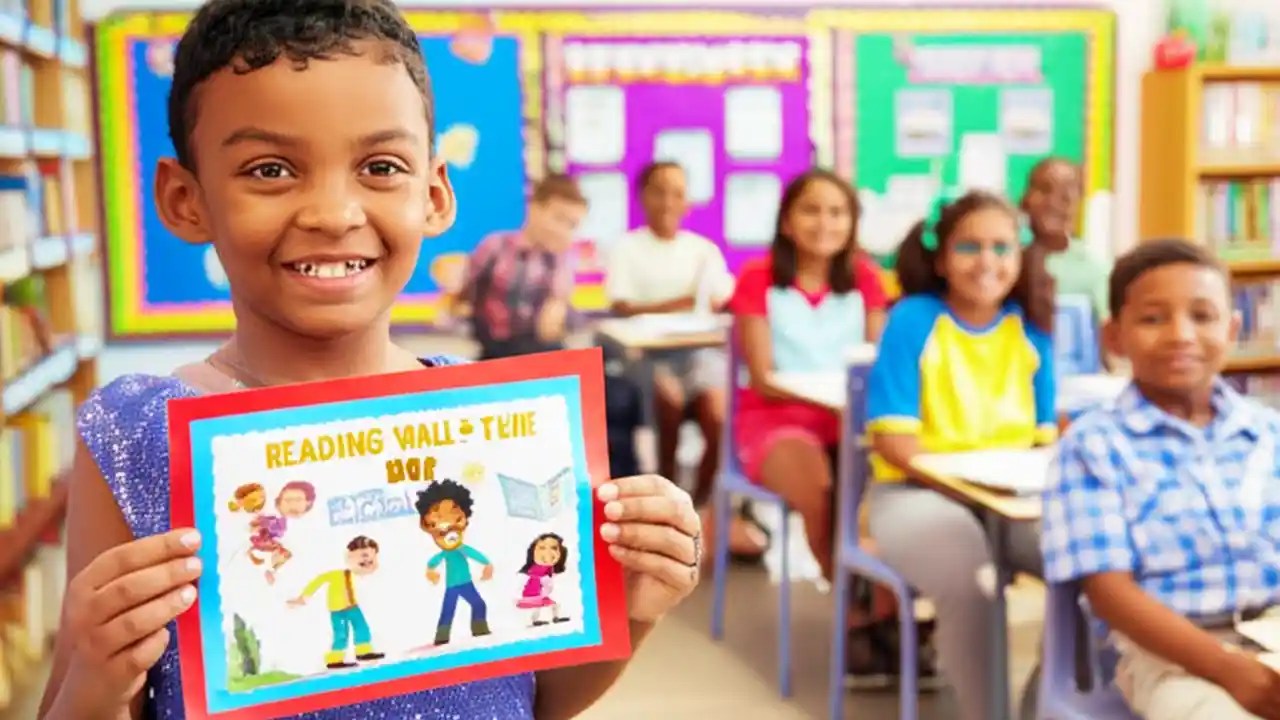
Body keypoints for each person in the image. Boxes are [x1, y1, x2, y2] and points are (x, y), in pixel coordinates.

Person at [38, 3, 701, 718]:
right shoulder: (137, 435)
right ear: (184, 198)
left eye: (380, 166)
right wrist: (94, 682)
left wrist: (635, 610)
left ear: (435, 194)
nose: (332, 212)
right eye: (270, 169)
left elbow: (530, 698)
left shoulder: (491, 428)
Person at [1042, 238, 1280, 720]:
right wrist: (1229, 668)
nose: (1181, 335)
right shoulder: (1095, 446)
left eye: (1203, 316)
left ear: (1232, 330)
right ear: (1114, 337)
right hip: (1175, 659)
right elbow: (1111, 593)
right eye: (1154, 318)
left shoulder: (1266, 431)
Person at [866, 189, 1056, 720]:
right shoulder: (913, 319)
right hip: (916, 493)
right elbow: (896, 445)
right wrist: (974, 491)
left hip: (1011, 497)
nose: (988, 261)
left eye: (1002, 246)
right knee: (974, 588)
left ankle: (1046, 706)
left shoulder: (1033, 328)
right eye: (969, 247)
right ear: (942, 257)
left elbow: (1044, 441)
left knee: (1094, 571)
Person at [606, 160, 766, 560]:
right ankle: (665, 497)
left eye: (677, 192)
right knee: (670, 403)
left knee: (717, 412)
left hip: (699, 352)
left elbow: (724, 300)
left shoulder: (703, 251)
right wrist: (679, 303)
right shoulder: (628, 247)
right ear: (643, 197)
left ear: (688, 201)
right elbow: (623, 306)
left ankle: (698, 506)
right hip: (648, 355)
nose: (667, 201)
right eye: (658, 190)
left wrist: (714, 303)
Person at [455, 173, 587, 360]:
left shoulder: (560, 259)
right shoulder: (496, 246)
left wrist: (559, 303)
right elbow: (464, 297)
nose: (562, 230)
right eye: (558, 218)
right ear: (534, 208)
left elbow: (558, 313)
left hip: (542, 354)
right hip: (496, 352)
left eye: (572, 225)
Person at [288, 536, 385, 669]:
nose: (368, 561)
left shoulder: (357, 576)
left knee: (362, 628)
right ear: (349, 556)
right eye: (364, 556)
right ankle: (335, 659)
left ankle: (363, 652)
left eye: (372, 559)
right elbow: (319, 581)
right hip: (338, 610)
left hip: (352, 606)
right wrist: (303, 597)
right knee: (341, 634)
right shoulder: (337, 573)